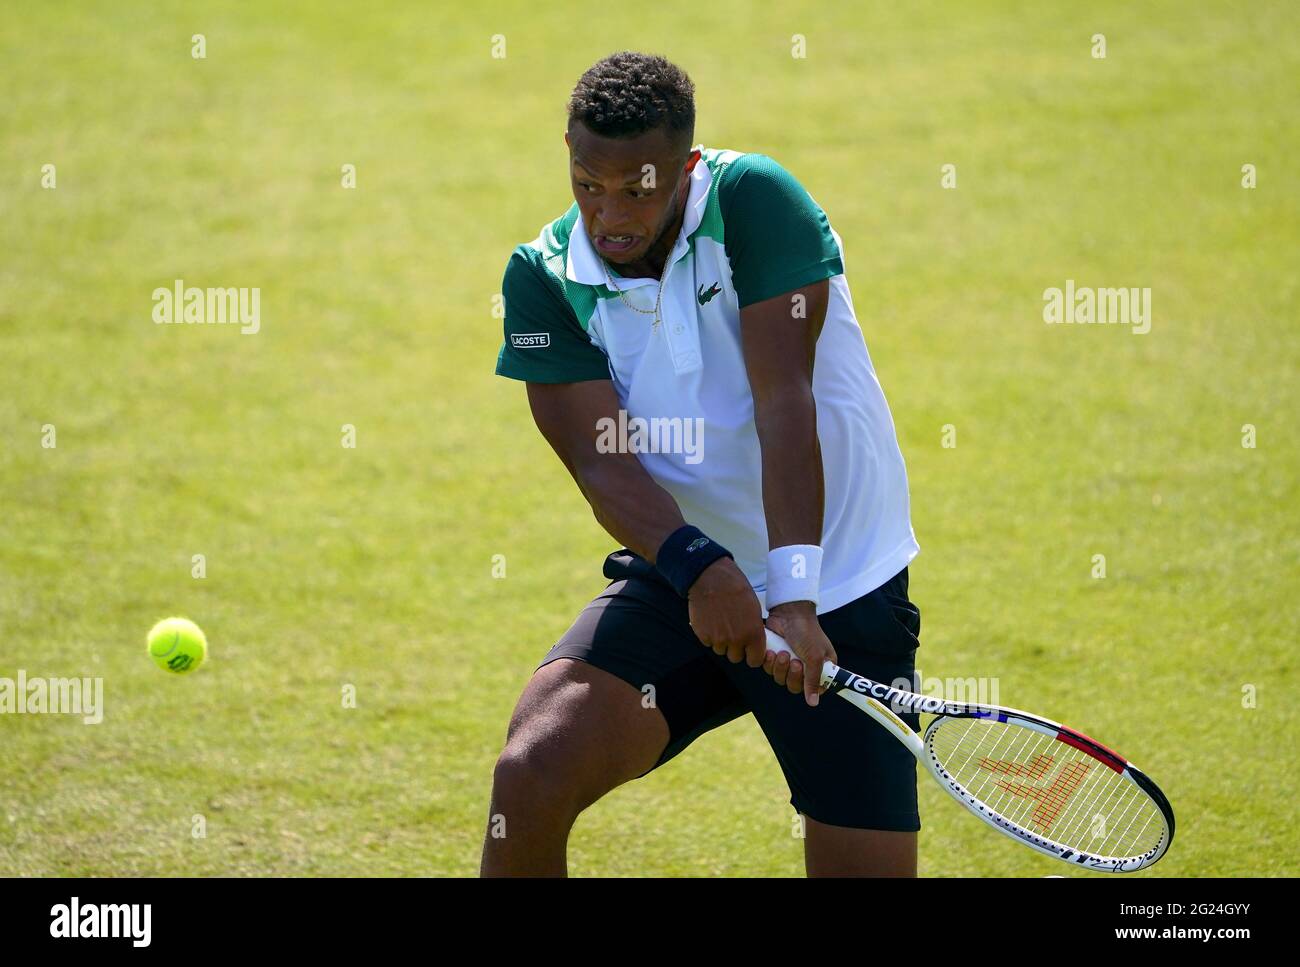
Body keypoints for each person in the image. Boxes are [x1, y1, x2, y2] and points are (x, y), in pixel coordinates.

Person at [483, 51, 922, 876]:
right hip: (681, 576)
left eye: (638, 189)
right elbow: (598, 457)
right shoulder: (543, 275)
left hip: (840, 591)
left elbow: (784, 403)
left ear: (684, 167)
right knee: (531, 772)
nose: (609, 214)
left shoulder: (756, 202)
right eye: (587, 182)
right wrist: (699, 568)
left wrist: (791, 594)